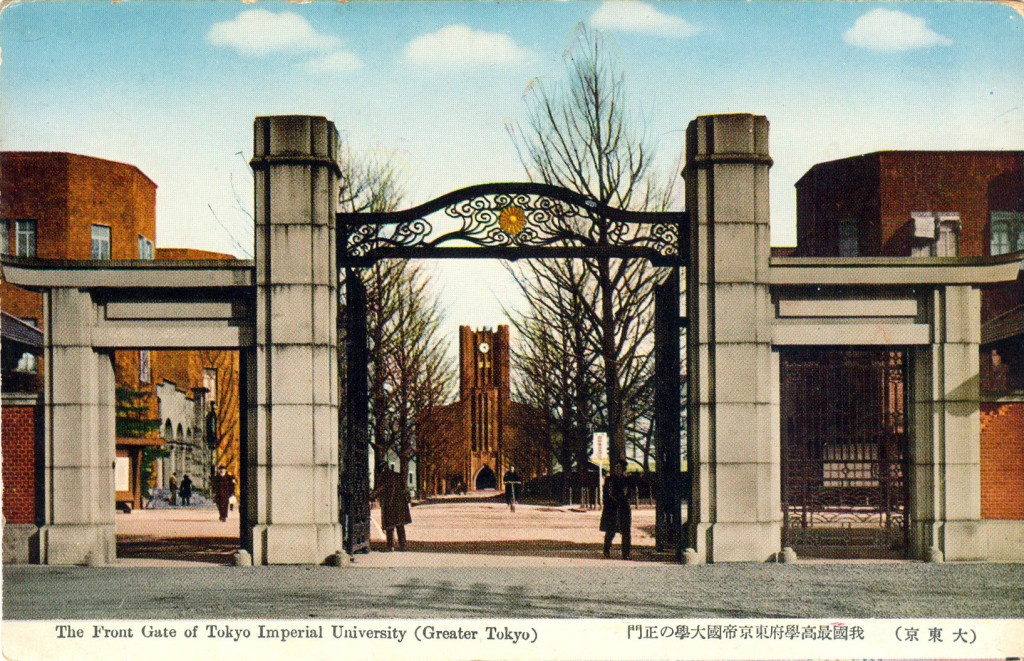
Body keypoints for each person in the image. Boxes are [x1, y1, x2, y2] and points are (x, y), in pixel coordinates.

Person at [370, 464, 412, 551]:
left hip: (390, 504)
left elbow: (380, 489)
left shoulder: (384, 477)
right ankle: (402, 545)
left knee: (390, 527)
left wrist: (370, 496)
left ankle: (390, 546)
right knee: (400, 526)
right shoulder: (398, 476)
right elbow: (405, 488)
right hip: (401, 505)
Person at [600, 459, 633, 560]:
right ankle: (606, 550)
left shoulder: (627, 480)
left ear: (624, 469)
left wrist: (625, 499)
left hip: (623, 508)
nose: (618, 470)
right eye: (617, 468)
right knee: (610, 531)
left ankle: (626, 553)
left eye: (620, 468)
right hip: (612, 508)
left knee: (626, 531)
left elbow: (629, 494)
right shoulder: (609, 479)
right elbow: (607, 493)